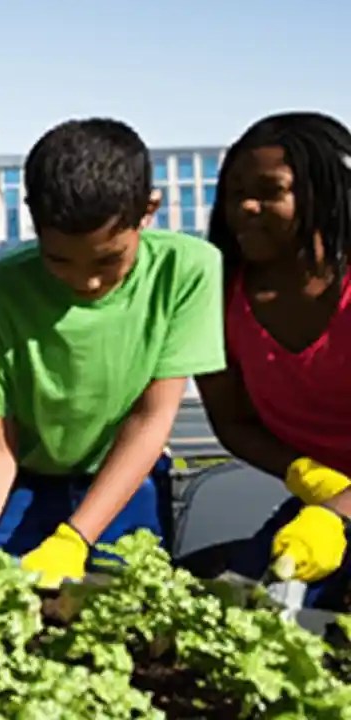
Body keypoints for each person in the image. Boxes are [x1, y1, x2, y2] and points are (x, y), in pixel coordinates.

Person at [0, 118, 225, 590]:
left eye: (107, 260)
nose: (87, 281)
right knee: (1, 590)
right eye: (59, 260)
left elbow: (151, 419)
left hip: (126, 476)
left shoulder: (186, 271)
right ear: (33, 220)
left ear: (149, 210)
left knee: (128, 602)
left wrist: (75, 537)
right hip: (28, 481)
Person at [196, 112, 351, 608]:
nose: (245, 205)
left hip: (333, 513)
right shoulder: (218, 299)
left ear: (325, 195)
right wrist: (303, 473)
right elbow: (233, 421)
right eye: (235, 190)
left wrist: (339, 515)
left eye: (269, 191)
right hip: (319, 502)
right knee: (243, 607)